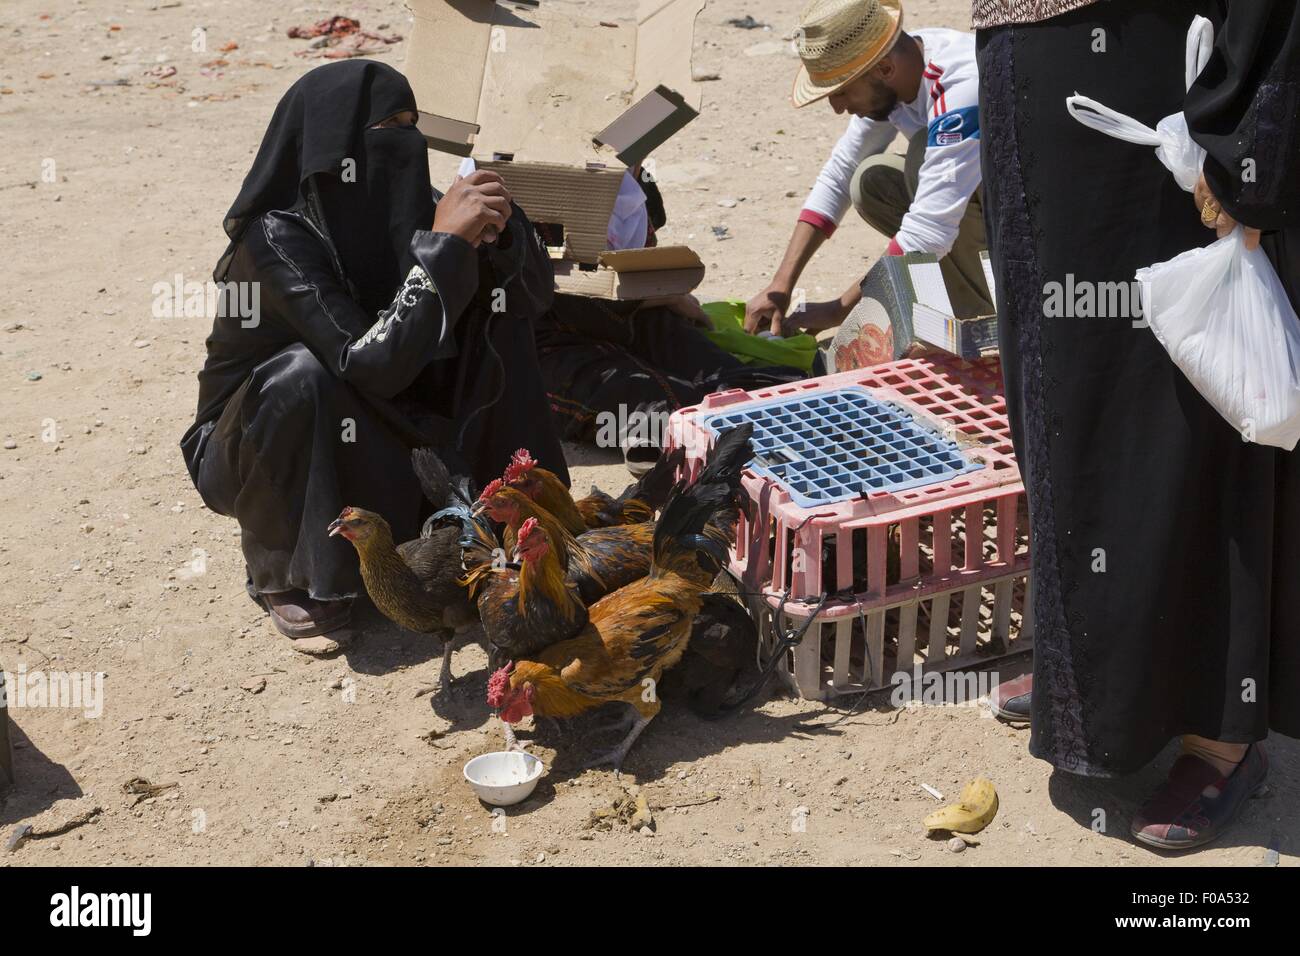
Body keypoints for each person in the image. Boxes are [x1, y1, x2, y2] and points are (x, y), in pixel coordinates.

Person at [977, 0, 1299, 850]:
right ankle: (1092, 675)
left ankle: (1220, 730)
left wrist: (1239, 149)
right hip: (1038, 75)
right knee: (1065, 394)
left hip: (1153, 53)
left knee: (1181, 400)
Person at [179, 60, 567, 653]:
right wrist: (443, 250)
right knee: (303, 374)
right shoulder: (277, 238)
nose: (404, 146)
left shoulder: (422, 208)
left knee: (497, 317)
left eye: (413, 125)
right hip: (259, 444)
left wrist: (505, 238)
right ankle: (291, 575)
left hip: (378, 416)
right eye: (388, 128)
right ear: (334, 145)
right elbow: (369, 363)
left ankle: (511, 524)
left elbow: (535, 306)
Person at [745, 0, 992, 339]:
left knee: (921, 158)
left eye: (842, 91)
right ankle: (956, 295)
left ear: (885, 70)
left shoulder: (958, 84)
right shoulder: (899, 69)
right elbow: (841, 172)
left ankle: (989, 316)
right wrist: (781, 285)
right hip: (985, 214)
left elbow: (928, 233)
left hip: (1043, 241)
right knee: (869, 180)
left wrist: (840, 309)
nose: (836, 107)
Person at [534, 174, 807, 474]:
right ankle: (653, 435)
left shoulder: (631, 181)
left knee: (739, 386)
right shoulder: (526, 187)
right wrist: (664, 297)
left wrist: (662, 299)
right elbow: (566, 298)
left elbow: (634, 266)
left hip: (634, 317)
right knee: (671, 409)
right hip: (546, 345)